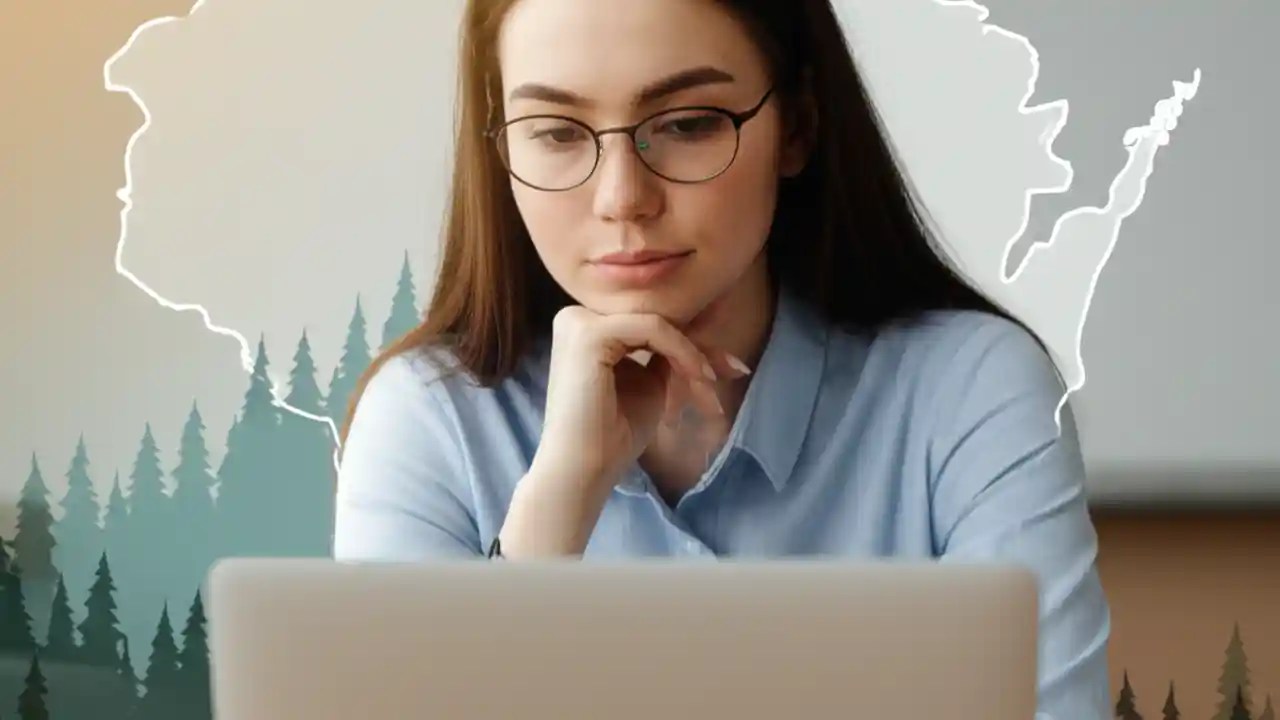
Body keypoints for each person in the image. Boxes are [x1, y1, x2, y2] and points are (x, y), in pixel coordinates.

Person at [331, 0, 1111, 717]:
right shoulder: (425, 419)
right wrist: (555, 509)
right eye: (559, 134)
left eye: (688, 123)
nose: (622, 197)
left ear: (797, 126)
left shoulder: (971, 391)